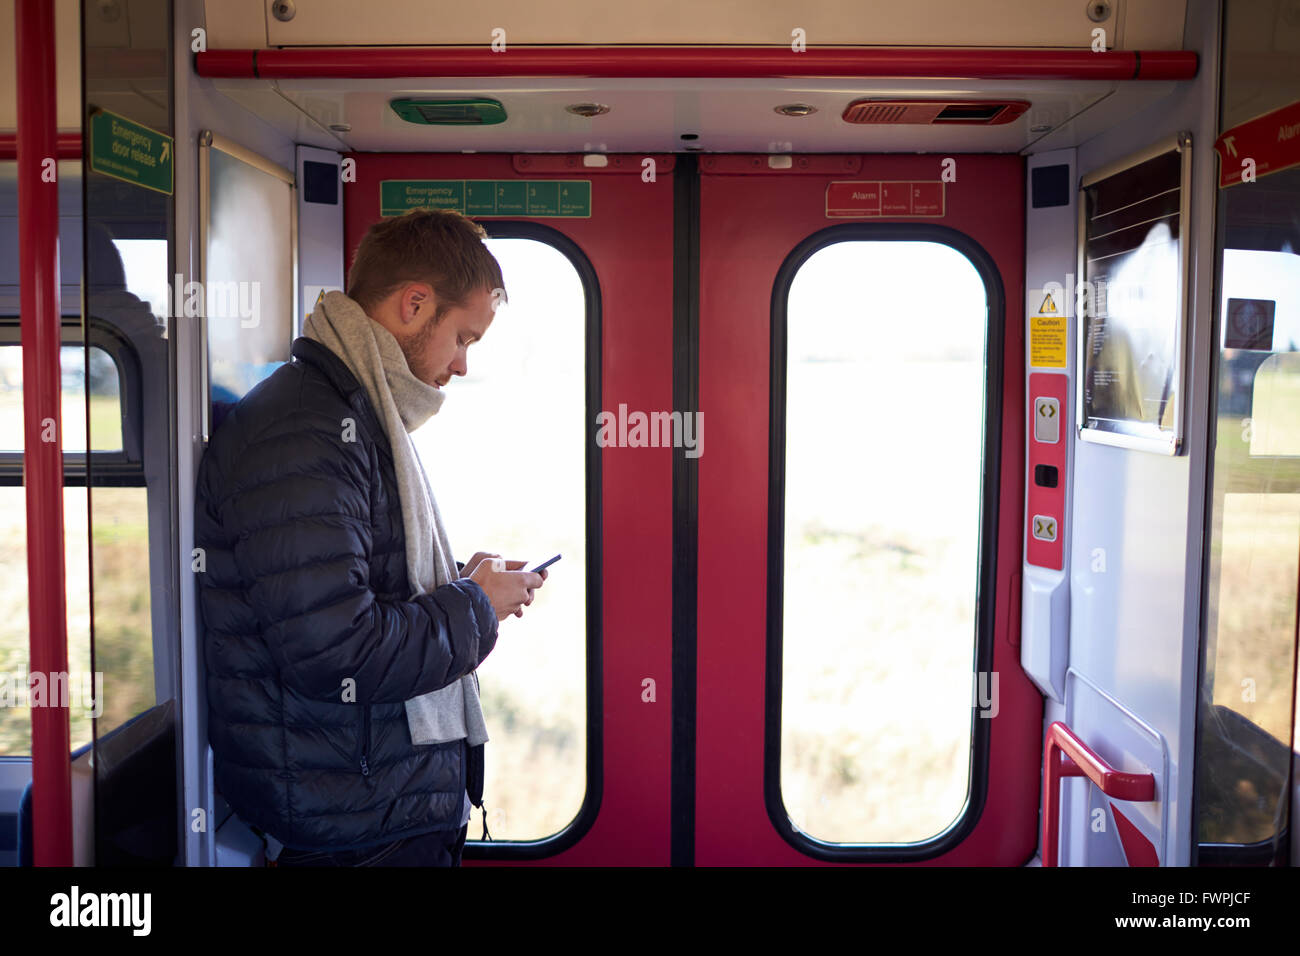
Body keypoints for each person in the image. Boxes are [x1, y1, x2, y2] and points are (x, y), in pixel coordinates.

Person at [194, 209, 544, 867]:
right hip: (352, 827)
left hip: (369, 803)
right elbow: (336, 653)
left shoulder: (347, 411)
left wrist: (464, 586)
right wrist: (473, 608)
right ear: (415, 304)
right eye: (463, 337)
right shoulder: (305, 431)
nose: (463, 365)